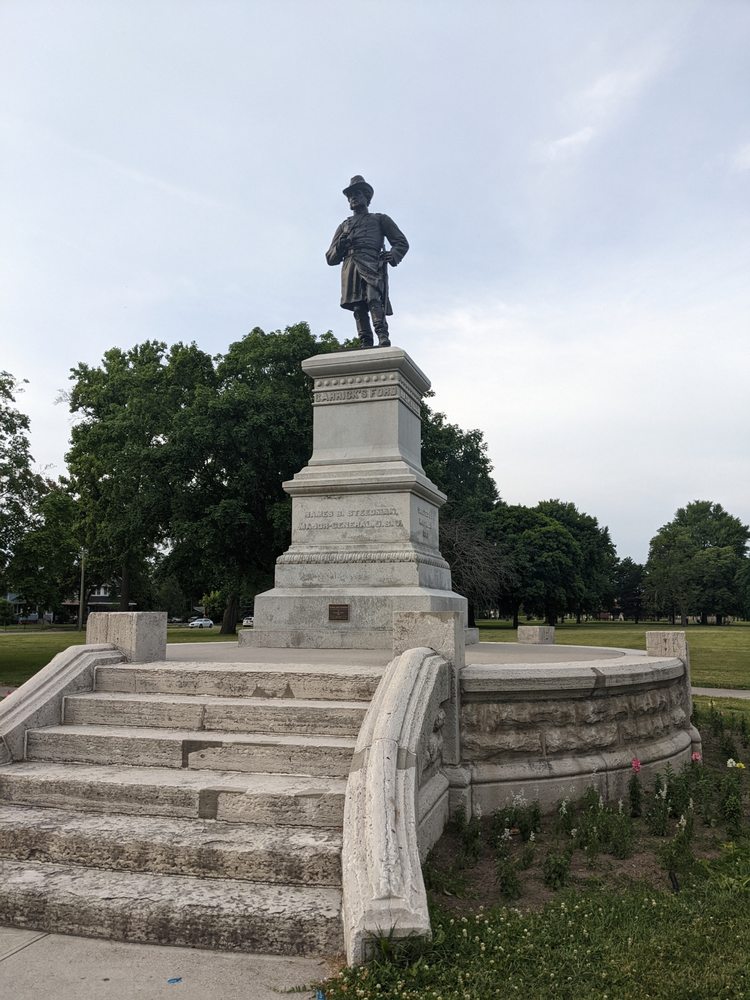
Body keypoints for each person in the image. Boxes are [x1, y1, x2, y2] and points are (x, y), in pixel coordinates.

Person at [325, 175, 409, 348]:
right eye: (350, 196)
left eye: (357, 194)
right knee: (358, 306)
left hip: (372, 263)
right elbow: (330, 258)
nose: (353, 198)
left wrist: (392, 255)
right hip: (351, 265)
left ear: (366, 197)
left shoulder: (380, 219)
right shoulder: (344, 226)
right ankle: (365, 341)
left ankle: (382, 336)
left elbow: (401, 242)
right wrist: (340, 246)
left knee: (373, 299)